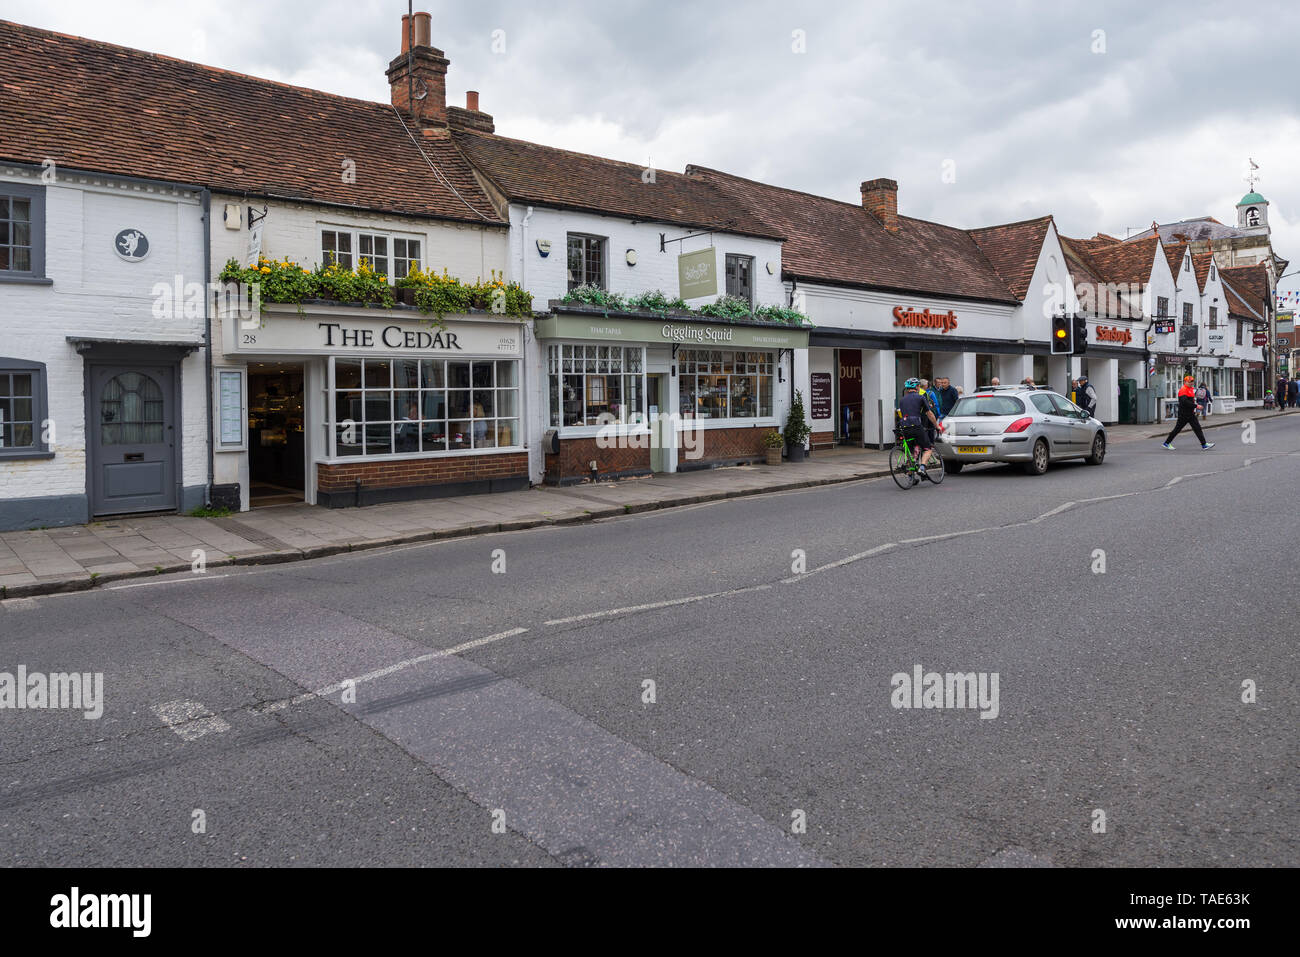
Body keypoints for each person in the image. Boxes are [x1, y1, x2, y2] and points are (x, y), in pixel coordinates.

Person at [897, 378, 945, 480]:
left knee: (911, 452)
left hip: (904, 427)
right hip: (916, 426)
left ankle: (911, 477)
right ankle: (922, 467)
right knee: (927, 449)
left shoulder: (902, 400)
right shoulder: (920, 397)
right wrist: (936, 426)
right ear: (917, 387)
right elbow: (929, 413)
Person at [1163, 375, 1214, 451]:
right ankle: (1166, 443)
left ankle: (1204, 444)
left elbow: (1190, 400)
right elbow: (1184, 402)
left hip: (1190, 414)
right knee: (1177, 429)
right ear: (1185, 382)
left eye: (1192, 382)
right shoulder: (1183, 390)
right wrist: (1196, 406)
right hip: (1183, 414)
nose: (1191, 383)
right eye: (1189, 382)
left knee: (1197, 428)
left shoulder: (1190, 389)